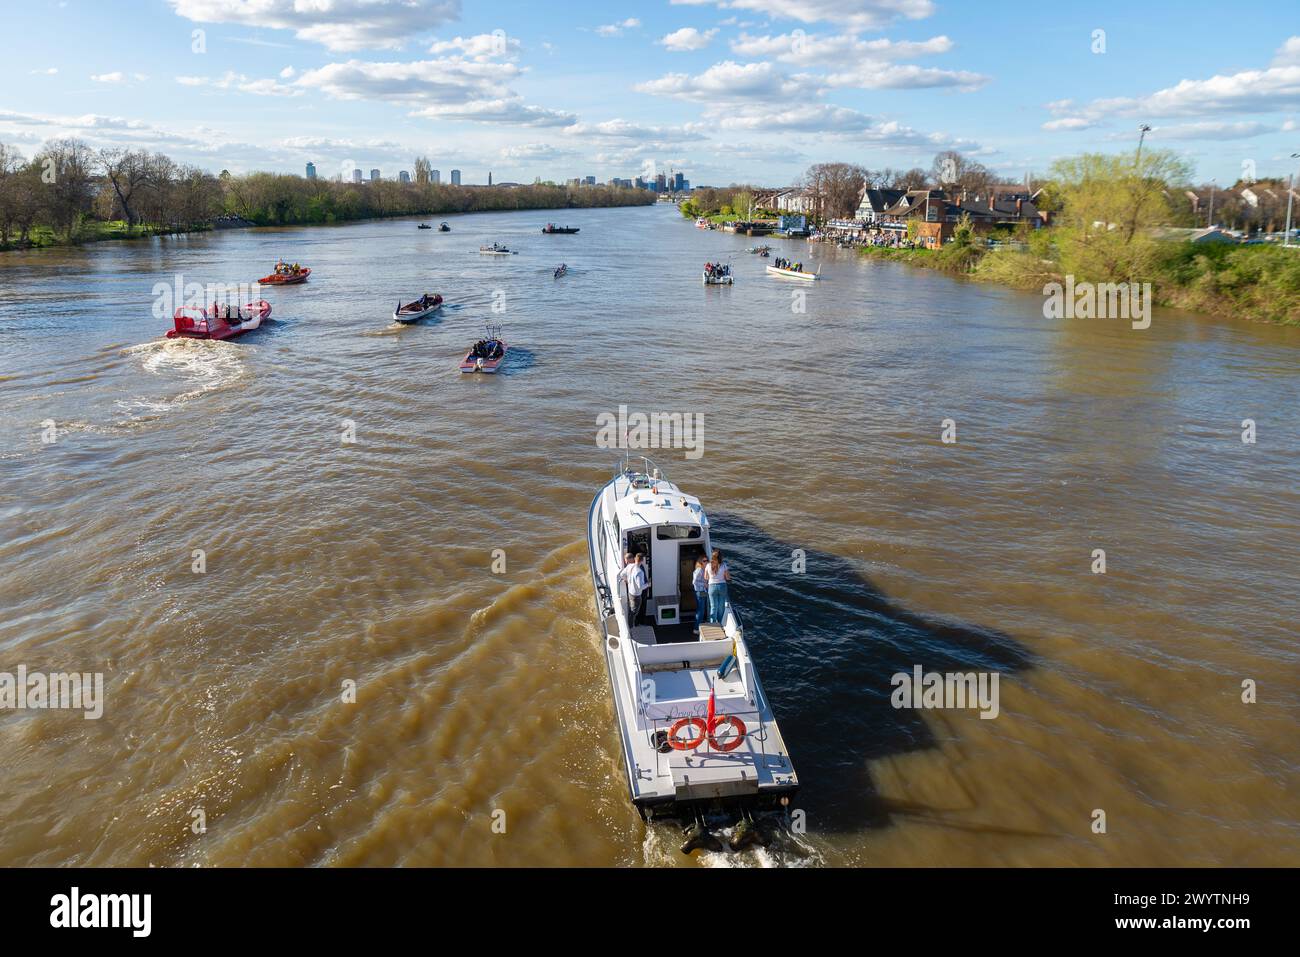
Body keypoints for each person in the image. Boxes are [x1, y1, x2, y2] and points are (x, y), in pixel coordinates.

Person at [706, 549, 730, 624]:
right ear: (720, 557)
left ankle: (713, 623)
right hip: (722, 586)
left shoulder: (708, 565)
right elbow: (728, 577)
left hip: (712, 587)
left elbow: (706, 577)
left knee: (713, 606)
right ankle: (720, 622)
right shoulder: (724, 565)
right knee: (721, 606)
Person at [692, 556, 709, 633]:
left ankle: (699, 624)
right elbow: (694, 582)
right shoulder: (699, 570)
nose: (706, 562)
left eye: (707, 560)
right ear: (700, 562)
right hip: (700, 592)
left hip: (703, 591)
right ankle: (696, 628)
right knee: (700, 610)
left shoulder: (704, 570)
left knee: (701, 609)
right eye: (704, 561)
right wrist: (704, 584)